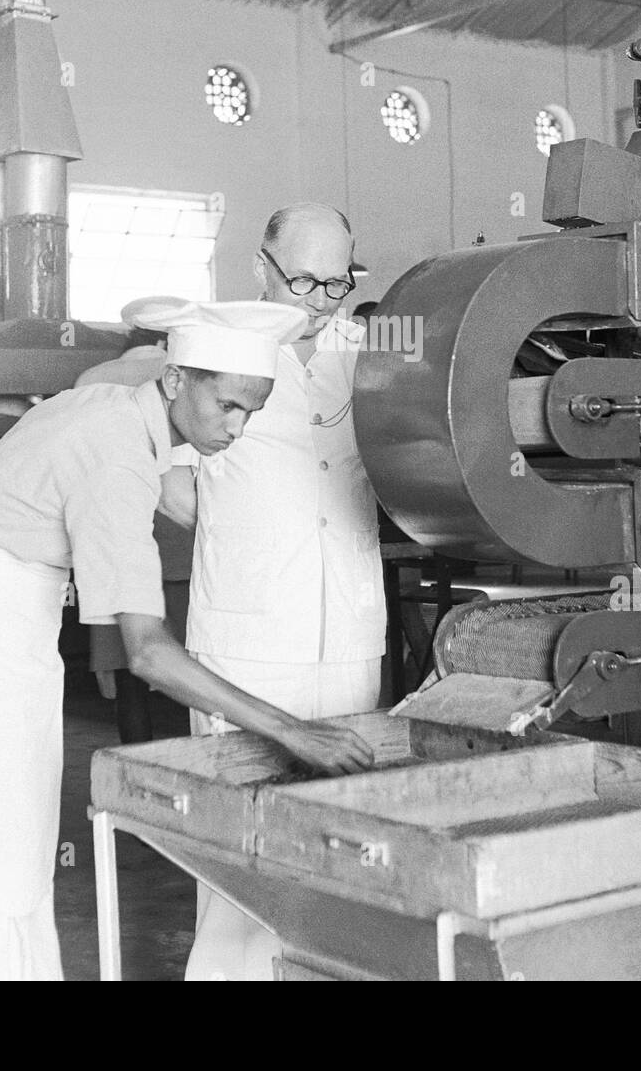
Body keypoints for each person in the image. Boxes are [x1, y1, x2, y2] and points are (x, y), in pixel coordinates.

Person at [0, 299, 373, 981]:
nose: (239, 427)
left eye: (254, 409)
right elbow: (148, 653)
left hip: (4, 600)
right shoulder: (120, 463)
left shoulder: (114, 403)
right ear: (175, 381)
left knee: (9, 818)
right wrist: (291, 730)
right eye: (226, 405)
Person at [158, 202, 389, 981]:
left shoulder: (368, 350)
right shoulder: (217, 347)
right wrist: (218, 514)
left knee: (339, 848)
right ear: (262, 267)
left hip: (350, 635)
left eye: (339, 282)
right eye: (305, 281)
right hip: (250, 646)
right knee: (242, 862)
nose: (323, 302)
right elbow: (159, 456)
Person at [74, 329, 194, 743]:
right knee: (191, 669)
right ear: (165, 344)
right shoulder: (175, 371)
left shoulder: (92, 376)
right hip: (181, 545)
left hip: (114, 546)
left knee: (129, 678)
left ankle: (136, 761)